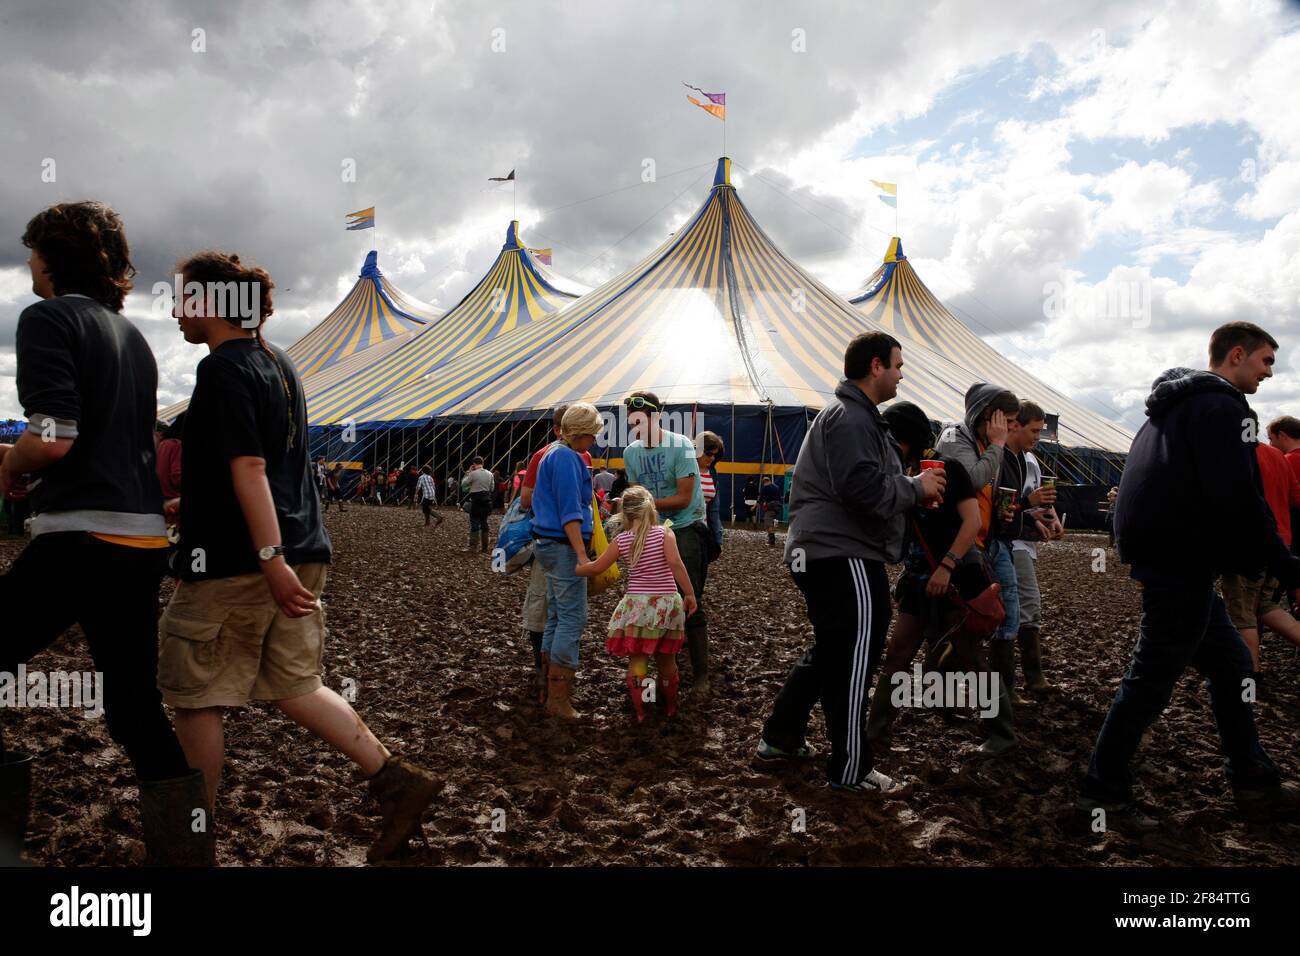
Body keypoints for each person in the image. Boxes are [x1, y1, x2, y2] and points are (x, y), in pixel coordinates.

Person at [160, 249, 439, 863]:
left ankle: (191, 842)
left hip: (244, 560)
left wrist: (267, 554)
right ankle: (397, 782)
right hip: (303, 545)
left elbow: (251, 465)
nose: (176, 309)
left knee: (196, 693)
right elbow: (273, 466)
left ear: (211, 303)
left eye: (183, 297)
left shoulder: (223, 370)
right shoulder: (281, 365)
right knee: (294, 683)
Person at [0, 201, 204, 866]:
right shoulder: (131, 339)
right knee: (134, 708)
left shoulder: (47, 318)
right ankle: (187, 854)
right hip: (139, 543)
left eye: (32, 252)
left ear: (51, 259)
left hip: (79, 539)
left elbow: (54, 437)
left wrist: (11, 463)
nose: (29, 264)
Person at [1077, 322, 1300, 830]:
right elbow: (1239, 497)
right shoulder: (1224, 408)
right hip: (1183, 563)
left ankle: (1253, 778)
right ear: (1237, 354)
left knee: (1232, 666)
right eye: (1266, 360)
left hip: (1167, 559)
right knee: (1150, 680)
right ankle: (1101, 795)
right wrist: (1282, 562)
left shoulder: (1166, 410)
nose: (1271, 371)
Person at [753, 332, 945, 793]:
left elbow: (863, 486)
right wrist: (915, 488)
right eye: (898, 365)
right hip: (844, 554)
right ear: (876, 366)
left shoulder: (850, 417)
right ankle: (851, 770)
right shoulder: (852, 419)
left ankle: (780, 739)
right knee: (855, 661)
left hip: (823, 550)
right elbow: (861, 491)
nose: (902, 374)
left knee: (834, 652)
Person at [864, 401, 1016, 754]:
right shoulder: (902, 476)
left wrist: (946, 566)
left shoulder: (949, 468)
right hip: (919, 576)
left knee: (970, 657)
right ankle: (875, 733)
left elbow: (972, 523)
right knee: (898, 652)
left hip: (960, 573)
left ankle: (1003, 734)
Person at [577, 485, 697, 722]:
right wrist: (690, 593)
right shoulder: (665, 533)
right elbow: (675, 563)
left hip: (638, 608)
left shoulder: (622, 540)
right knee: (666, 660)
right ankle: (670, 706)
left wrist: (578, 563)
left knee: (639, 661)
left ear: (625, 514)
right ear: (651, 508)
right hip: (666, 606)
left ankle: (641, 711)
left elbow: (597, 568)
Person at [622, 391, 712, 700]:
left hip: (685, 526)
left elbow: (685, 497)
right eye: (632, 420)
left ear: (656, 416)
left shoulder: (681, 446)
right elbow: (635, 494)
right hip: (652, 528)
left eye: (641, 418)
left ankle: (701, 675)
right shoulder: (631, 452)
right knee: (650, 601)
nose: (636, 424)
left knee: (690, 599)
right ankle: (664, 670)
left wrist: (643, 505)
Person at [936, 385, 1021, 703]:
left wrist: (1004, 511)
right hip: (958, 545)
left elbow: (981, 493)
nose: (1011, 427)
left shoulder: (986, 443)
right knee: (973, 622)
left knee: (984, 621)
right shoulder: (955, 437)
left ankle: (946, 694)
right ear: (988, 416)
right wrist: (998, 445)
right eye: (1007, 420)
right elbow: (969, 481)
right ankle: (997, 718)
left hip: (981, 542)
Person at [519, 407, 594, 703]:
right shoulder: (566, 457)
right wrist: (582, 555)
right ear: (582, 432)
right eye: (592, 434)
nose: (594, 440)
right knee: (572, 618)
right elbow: (570, 511)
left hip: (546, 543)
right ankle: (560, 698)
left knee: (555, 615)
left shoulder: (550, 454)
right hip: (562, 544)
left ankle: (547, 684)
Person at [1217, 438, 1300, 672]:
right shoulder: (1278, 456)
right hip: (1280, 543)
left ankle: (1249, 674)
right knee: (1263, 605)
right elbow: (1296, 498)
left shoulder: (1235, 452)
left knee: (1241, 613)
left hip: (1248, 544)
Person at [1009, 401, 1065, 697]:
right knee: (1027, 605)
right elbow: (1015, 504)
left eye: (1040, 431)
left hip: (1026, 541)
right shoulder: (1006, 460)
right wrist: (1032, 513)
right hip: (1013, 541)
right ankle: (1032, 677)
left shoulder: (1030, 462)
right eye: (1034, 430)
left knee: (1014, 609)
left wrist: (1052, 518)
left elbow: (1040, 499)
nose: (1037, 437)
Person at [696, 432, 725, 555]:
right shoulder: (685, 467)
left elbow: (714, 509)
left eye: (715, 455)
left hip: (703, 531)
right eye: (709, 453)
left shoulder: (712, 473)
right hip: (682, 528)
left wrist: (718, 539)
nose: (712, 457)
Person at [462, 456, 495, 552]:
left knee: (474, 523)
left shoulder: (473, 473)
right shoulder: (490, 474)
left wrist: (468, 472)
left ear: (474, 464)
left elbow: (464, 484)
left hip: (476, 500)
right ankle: (485, 547)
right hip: (486, 501)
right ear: (483, 463)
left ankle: (473, 547)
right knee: (484, 522)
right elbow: (492, 488)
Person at [157, 414, 185, 501]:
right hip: (174, 499)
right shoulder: (178, 445)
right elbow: (177, 477)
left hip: (161, 497)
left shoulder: (163, 443)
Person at [759, 476, 783, 546]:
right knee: (770, 521)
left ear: (764, 482)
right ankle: (771, 538)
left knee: (767, 523)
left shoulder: (765, 488)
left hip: (771, 506)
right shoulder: (776, 487)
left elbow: (761, 498)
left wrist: (756, 505)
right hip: (778, 506)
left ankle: (771, 540)